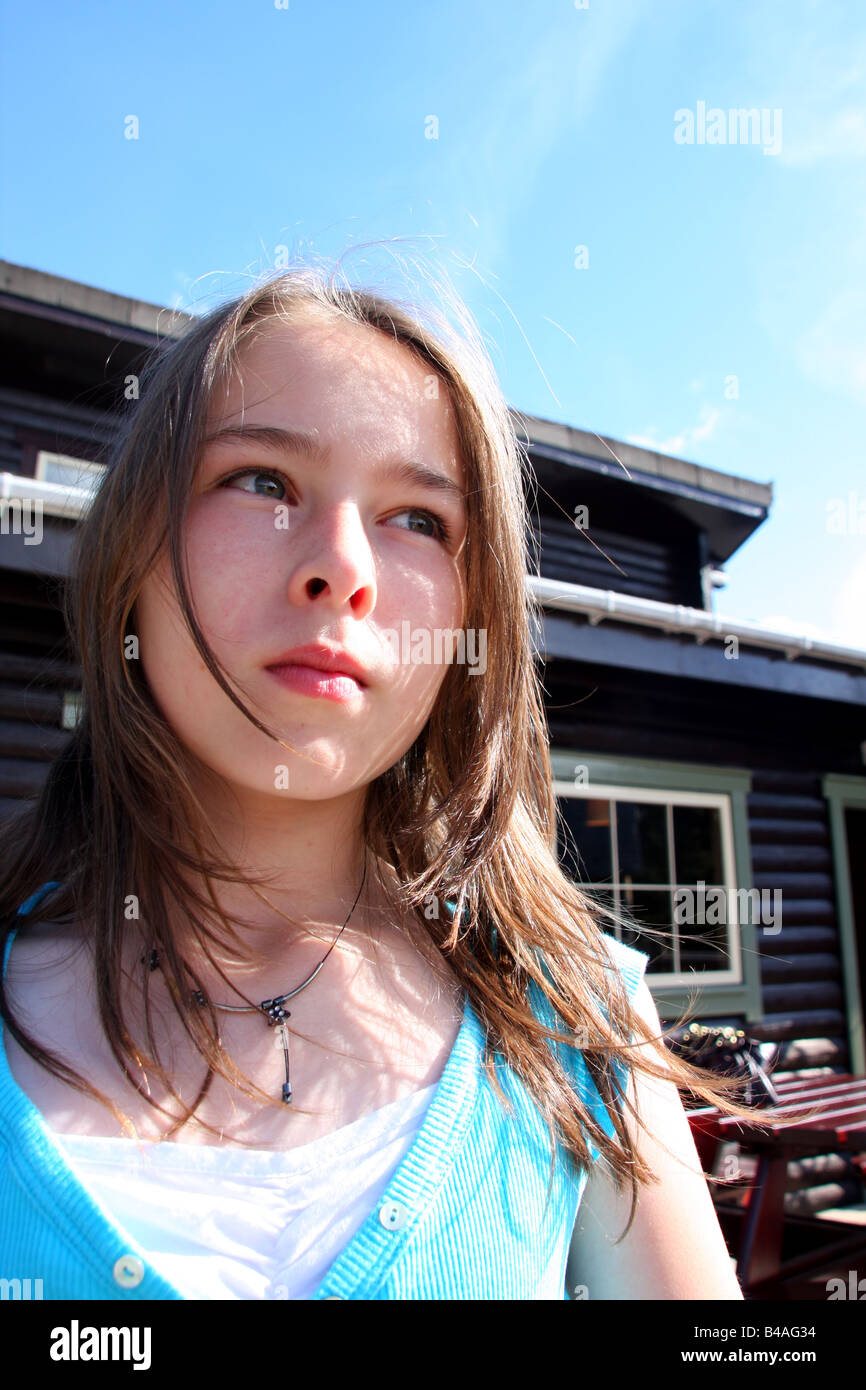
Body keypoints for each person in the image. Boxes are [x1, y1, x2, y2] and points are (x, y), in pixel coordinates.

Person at [0, 262, 751, 1300]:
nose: (342, 563)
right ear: (132, 549)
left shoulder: (579, 1018)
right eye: (262, 481)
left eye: (418, 519)